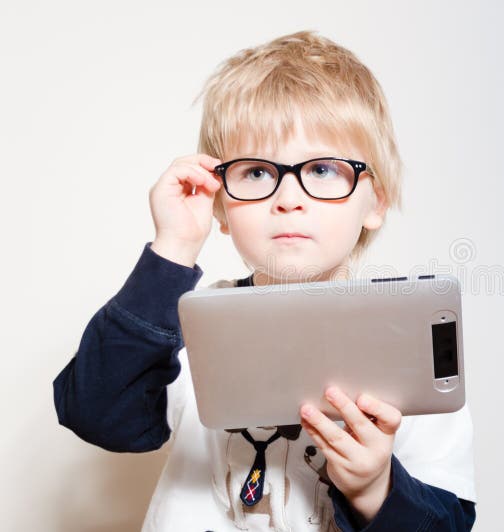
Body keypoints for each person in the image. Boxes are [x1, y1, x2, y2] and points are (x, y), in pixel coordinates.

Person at [53, 30, 476, 531]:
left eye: (321, 169)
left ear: (375, 203)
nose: (288, 197)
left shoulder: (412, 347)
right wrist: (173, 249)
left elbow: (447, 523)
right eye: (256, 173)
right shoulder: (190, 324)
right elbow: (96, 412)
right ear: (221, 206)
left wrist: (374, 488)